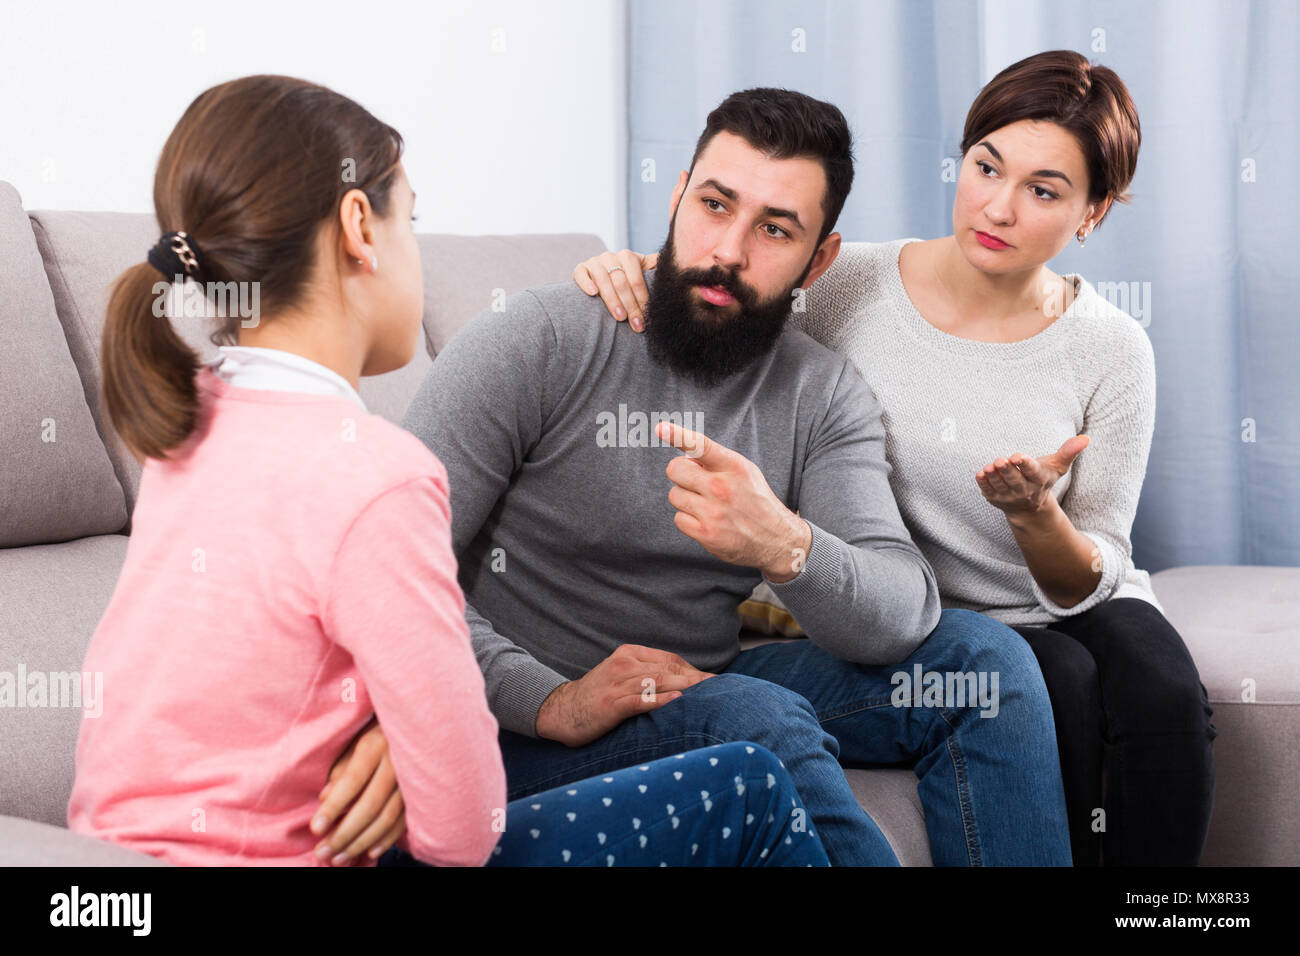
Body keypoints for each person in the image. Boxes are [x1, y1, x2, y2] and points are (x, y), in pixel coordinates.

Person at [66, 74, 826, 868]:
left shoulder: (188, 420)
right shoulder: (378, 475)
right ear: (360, 224)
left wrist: (397, 734)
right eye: (412, 219)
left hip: (99, 874)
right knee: (749, 786)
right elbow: (463, 828)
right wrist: (418, 743)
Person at [401, 86, 1072, 867]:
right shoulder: (538, 339)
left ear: (819, 259)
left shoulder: (821, 392)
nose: (728, 249)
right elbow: (391, 581)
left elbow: (898, 610)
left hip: (691, 682)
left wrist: (785, 543)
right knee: (755, 715)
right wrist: (550, 699)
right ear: (679, 194)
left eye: (774, 229)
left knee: (984, 665)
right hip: (517, 724)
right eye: (715, 205)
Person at [574, 52, 1216, 866]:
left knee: (1161, 694)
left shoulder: (1115, 348)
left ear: (1091, 213)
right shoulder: (850, 282)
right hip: (913, 613)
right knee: (1055, 682)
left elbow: (1087, 576)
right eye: (986, 167)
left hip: (1064, 590)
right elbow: (718, 296)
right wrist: (627, 270)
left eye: (1044, 190)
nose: (998, 206)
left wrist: (1032, 514)